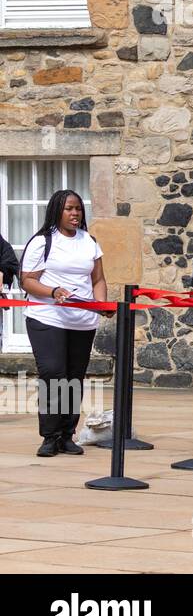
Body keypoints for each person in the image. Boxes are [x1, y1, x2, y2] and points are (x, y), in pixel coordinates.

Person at [19, 190, 106, 457]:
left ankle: (67, 435)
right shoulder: (42, 242)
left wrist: (101, 305)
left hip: (82, 321)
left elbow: (98, 280)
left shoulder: (89, 242)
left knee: (74, 378)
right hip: (47, 316)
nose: (75, 213)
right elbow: (28, 280)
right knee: (53, 372)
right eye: (69, 208)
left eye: (78, 208)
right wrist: (54, 291)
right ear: (57, 211)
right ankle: (49, 435)